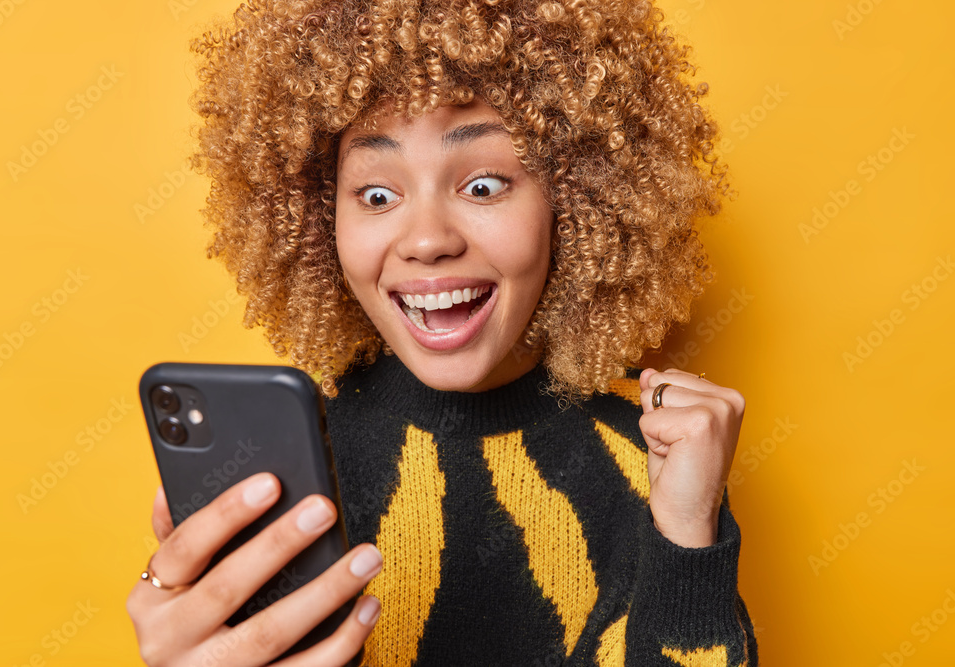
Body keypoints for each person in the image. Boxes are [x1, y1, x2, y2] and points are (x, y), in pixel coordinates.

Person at [126, 0, 759, 665]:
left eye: (484, 185)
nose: (427, 240)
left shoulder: (650, 459)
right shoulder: (285, 475)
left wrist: (688, 539)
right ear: (319, 221)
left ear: (572, 201)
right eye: (376, 195)